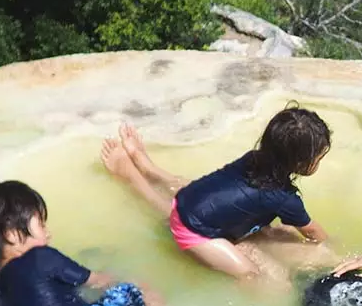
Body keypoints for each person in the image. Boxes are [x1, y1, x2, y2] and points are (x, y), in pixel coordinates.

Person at [0, 180, 232, 306]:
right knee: (136, 287)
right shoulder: (41, 258)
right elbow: (97, 281)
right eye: (41, 225)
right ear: (13, 234)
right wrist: (114, 276)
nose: (49, 233)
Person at [101, 108, 333, 286]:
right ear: (300, 163)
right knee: (252, 274)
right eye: (318, 158)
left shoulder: (254, 158)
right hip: (192, 230)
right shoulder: (285, 198)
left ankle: (147, 166)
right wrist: (331, 243)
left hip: (190, 195)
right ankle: (133, 177)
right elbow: (312, 233)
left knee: (200, 195)